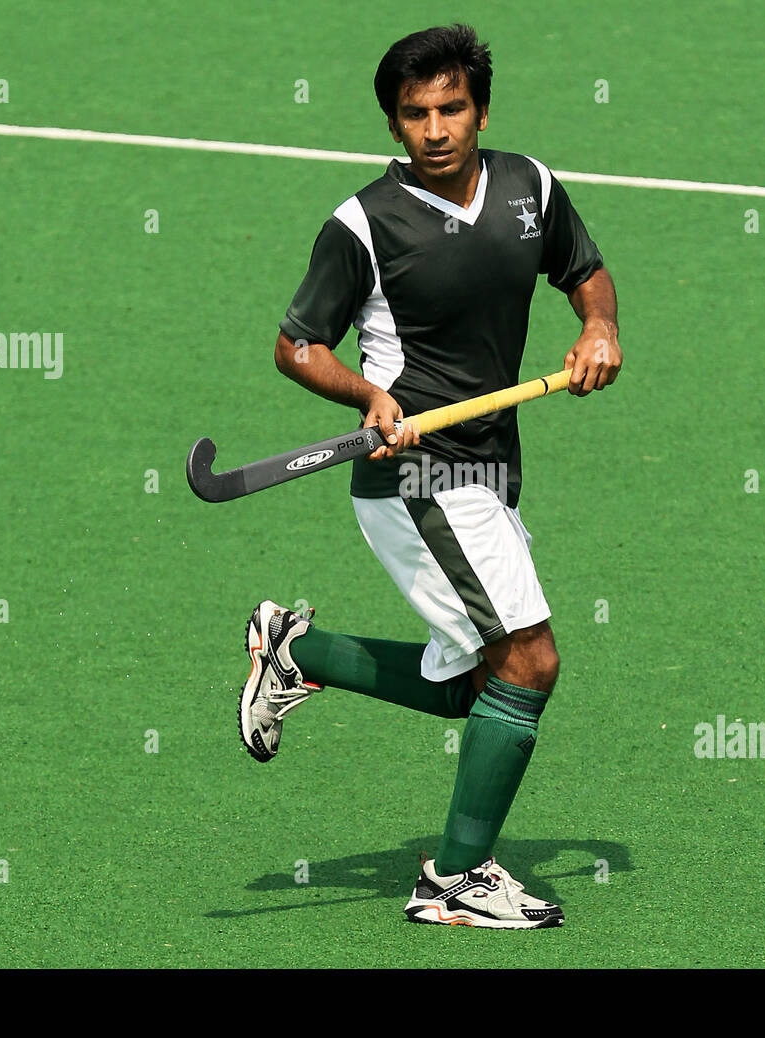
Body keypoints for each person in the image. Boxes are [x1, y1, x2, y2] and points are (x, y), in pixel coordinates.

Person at [241, 23, 621, 928]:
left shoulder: (530, 187)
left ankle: (295, 650)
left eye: (452, 108)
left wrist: (598, 327)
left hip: (491, 464)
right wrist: (368, 395)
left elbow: (587, 272)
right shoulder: (364, 224)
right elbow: (298, 347)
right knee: (527, 661)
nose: (437, 127)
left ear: (481, 110)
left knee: (470, 684)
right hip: (415, 477)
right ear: (394, 125)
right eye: (416, 114)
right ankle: (456, 877)